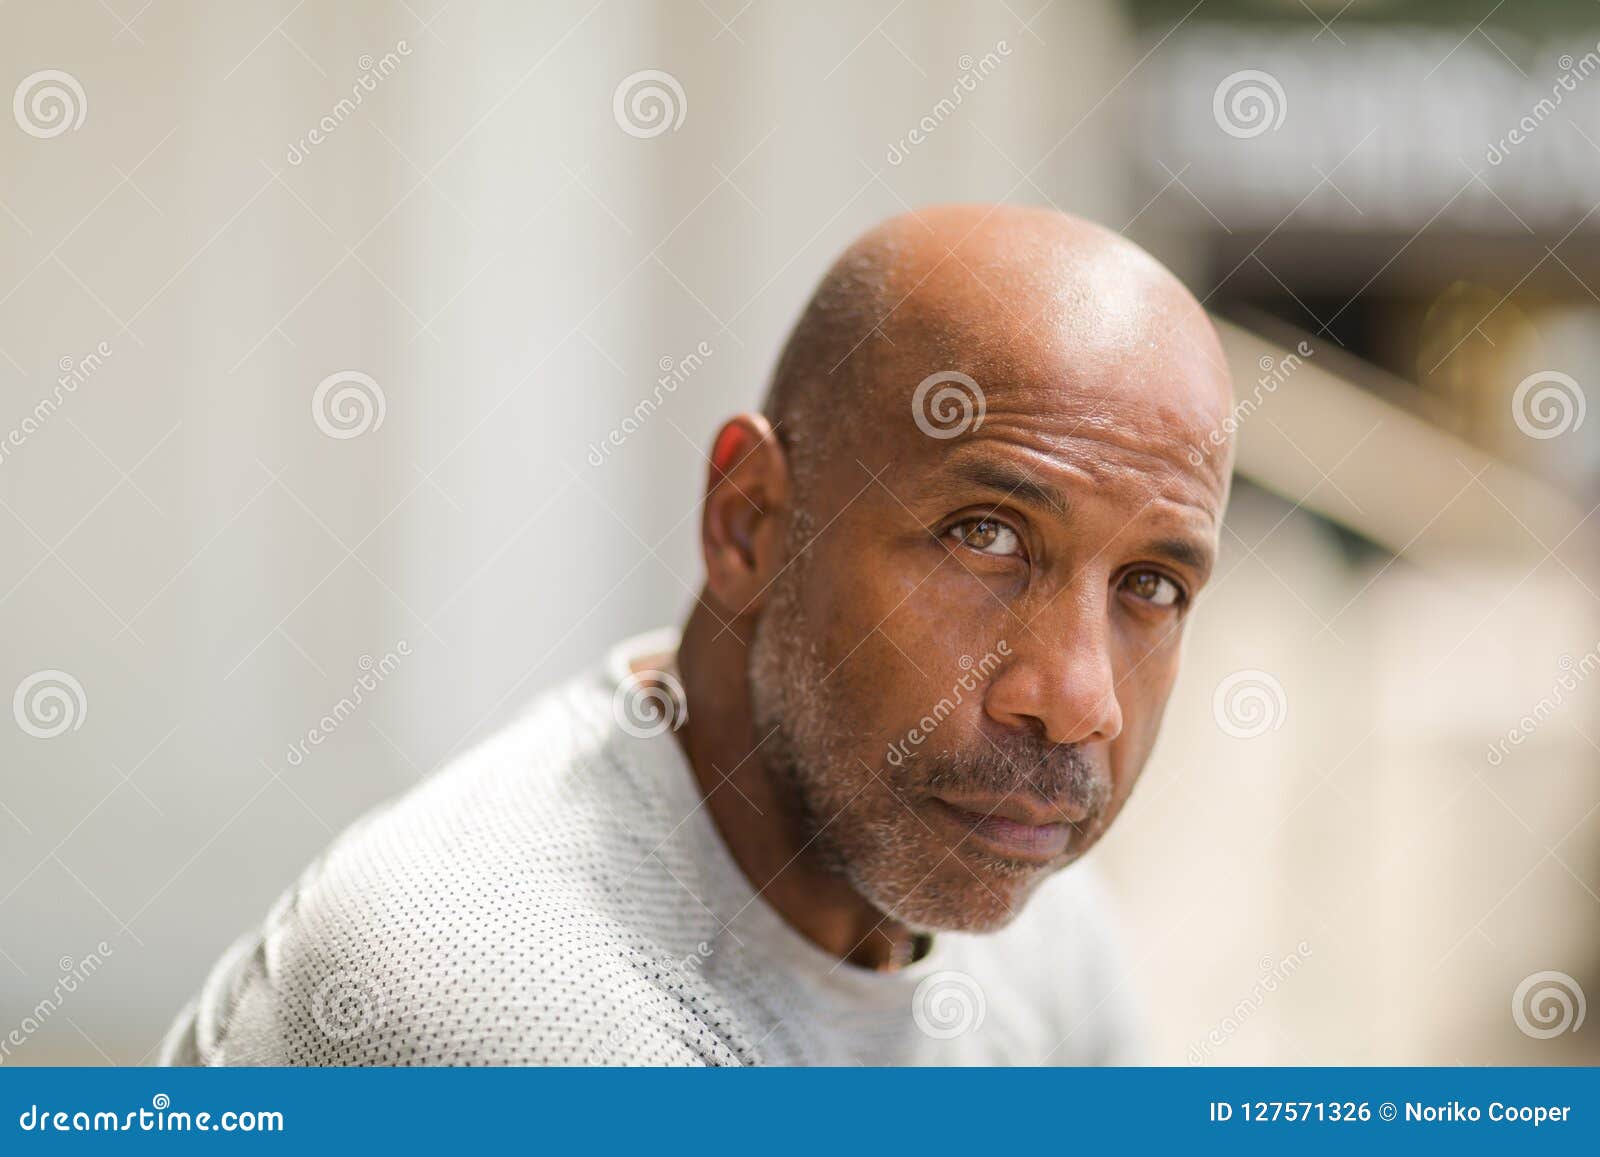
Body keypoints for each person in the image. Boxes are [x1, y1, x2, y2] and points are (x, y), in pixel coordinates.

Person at [159, 203, 1234, 1066]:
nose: (1076, 697)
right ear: (749, 521)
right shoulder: (517, 1003)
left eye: (1150, 582)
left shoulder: (1040, 925)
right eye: (985, 535)